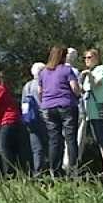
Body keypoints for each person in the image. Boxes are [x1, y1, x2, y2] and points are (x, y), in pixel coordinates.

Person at [38, 45, 81, 176]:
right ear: (63, 56)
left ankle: (55, 171)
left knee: (54, 139)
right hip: (66, 105)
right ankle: (73, 170)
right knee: (70, 138)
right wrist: (79, 94)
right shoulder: (67, 70)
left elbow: (39, 92)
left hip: (48, 107)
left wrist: (44, 102)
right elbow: (75, 88)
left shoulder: (43, 72)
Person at [79, 48, 103, 178]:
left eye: (89, 57)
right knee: (99, 139)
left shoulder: (102, 70)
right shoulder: (90, 72)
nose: (87, 60)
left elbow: (97, 84)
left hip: (100, 106)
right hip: (90, 109)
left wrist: (88, 75)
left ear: (97, 58)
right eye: (85, 58)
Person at [20, 63, 47, 176]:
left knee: (36, 148)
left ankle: (38, 172)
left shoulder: (27, 86)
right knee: (50, 145)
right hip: (46, 118)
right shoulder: (46, 83)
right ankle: (52, 170)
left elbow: (23, 105)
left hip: (32, 120)